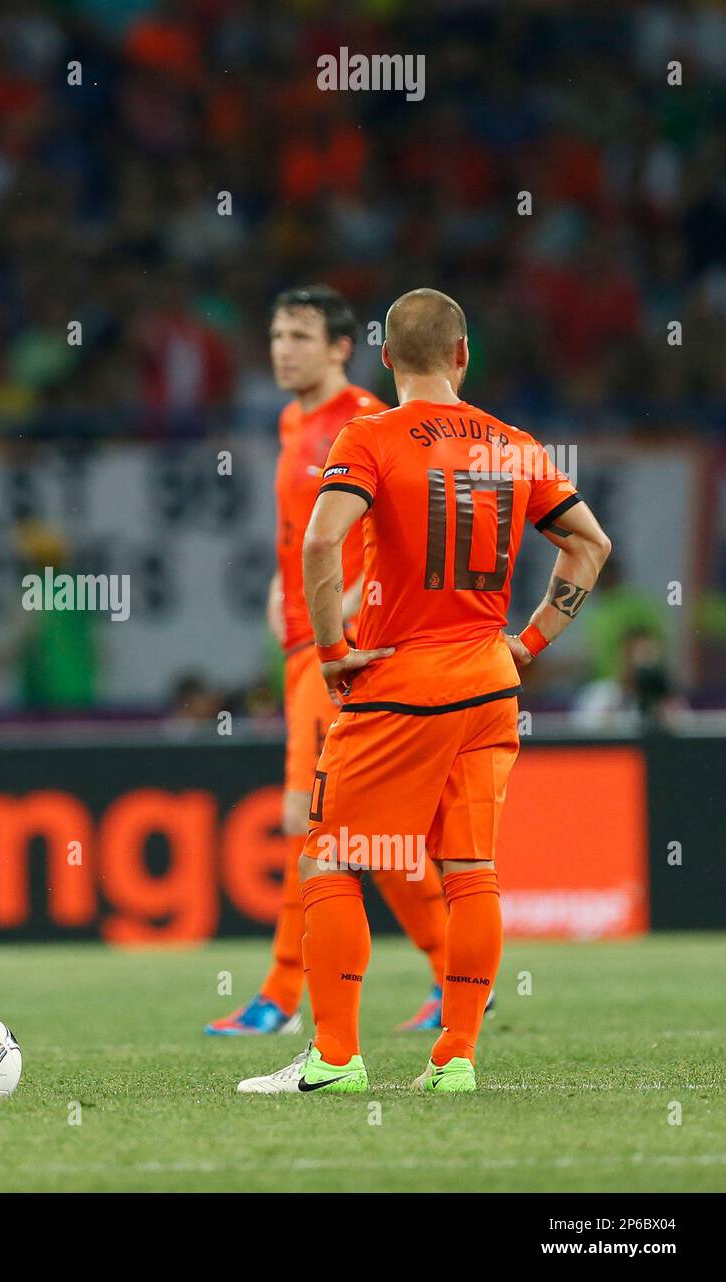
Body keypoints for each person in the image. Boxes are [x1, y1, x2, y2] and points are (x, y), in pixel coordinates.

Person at [238, 288, 610, 1093]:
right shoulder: (515, 444)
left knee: (331, 859)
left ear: (383, 356)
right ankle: (456, 1060)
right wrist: (532, 640)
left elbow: (323, 540)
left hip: (399, 683)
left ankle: (334, 1060)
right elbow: (590, 542)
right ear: (463, 354)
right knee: (471, 868)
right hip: (489, 684)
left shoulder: (370, 435)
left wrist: (333, 647)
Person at [205, 286, 452, 1038]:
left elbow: (409, 525)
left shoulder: (370, 422)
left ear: (343, 348)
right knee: (357, 830)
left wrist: (347, 601)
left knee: (315, 821)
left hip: (348, 650)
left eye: (301, 336)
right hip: (302, 644)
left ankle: (283, 995)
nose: (284, 348)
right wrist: (288, 580)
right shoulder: (291, 421)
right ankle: (453, 974)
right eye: (277, 334)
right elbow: (304, 525)